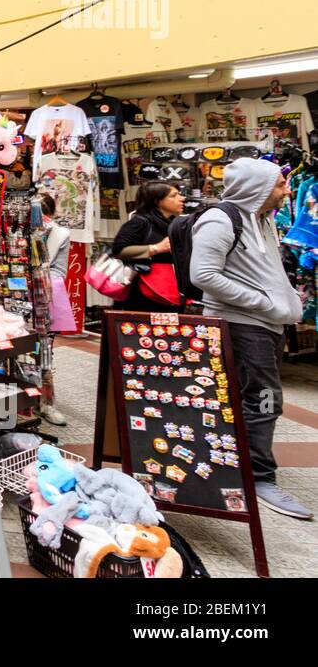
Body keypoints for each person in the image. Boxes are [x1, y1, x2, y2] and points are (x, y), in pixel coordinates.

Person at [189, 158, 311, 521]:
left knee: (251, 398)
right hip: (243, 325)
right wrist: (264, 303)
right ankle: (259, 476)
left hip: (264, 325)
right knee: (264, 400)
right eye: (279, 185)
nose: (287, 191)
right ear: (257, 187)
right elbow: (204, 274)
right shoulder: (221, 219)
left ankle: (239, 464)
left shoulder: (263, 220)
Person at [109, 181, 185, 312]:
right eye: (174, 195)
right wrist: (156, 248)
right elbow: (119, 249)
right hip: (144, 291)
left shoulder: (173, 224)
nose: (182, 198)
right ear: (157, 201)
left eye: (179, 194)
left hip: (170, 289)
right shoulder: (140, 222)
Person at [38, 194, 71, 427]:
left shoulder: (60, 234)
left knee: (46, 352)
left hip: (46, 297)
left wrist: (40, 277)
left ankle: (47, 403)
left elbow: (60, 271)